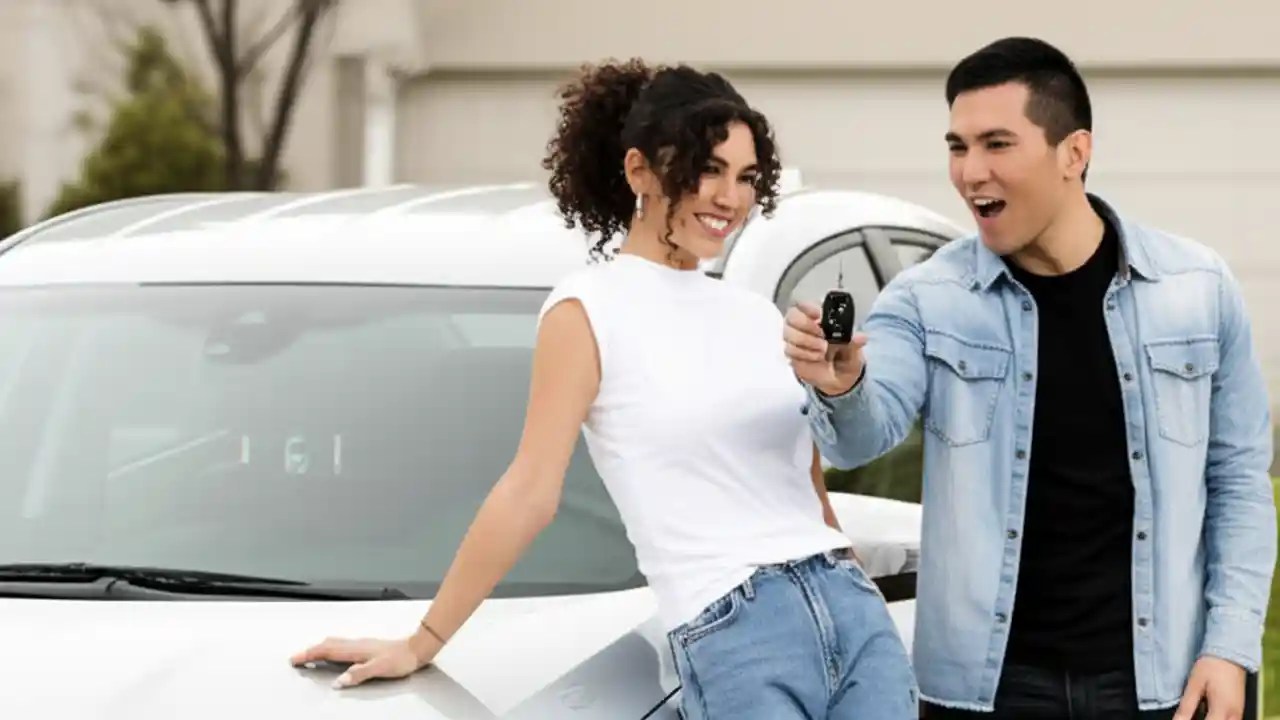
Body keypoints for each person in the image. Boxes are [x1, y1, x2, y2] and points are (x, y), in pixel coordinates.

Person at [289, 59, 918, 719]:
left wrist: (838, 398)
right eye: (706, 169)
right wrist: (425, 640)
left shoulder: (754, 313)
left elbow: (806, 488)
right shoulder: (587, 310)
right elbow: (529, 492)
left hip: (851, 612)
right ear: (639, 170)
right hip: (735, 627)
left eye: (745, 177)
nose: (729, 198)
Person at [784, 36, 1275, 720]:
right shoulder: (927, 298)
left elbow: (1240, 482)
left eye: (996, 144)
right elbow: (860, 437)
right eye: (957, 146)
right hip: (989, 691)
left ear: (1074, 153)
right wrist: (840, 382)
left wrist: (1230, 647)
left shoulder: (1196, 288)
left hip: (1165, 682)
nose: (969, 172)